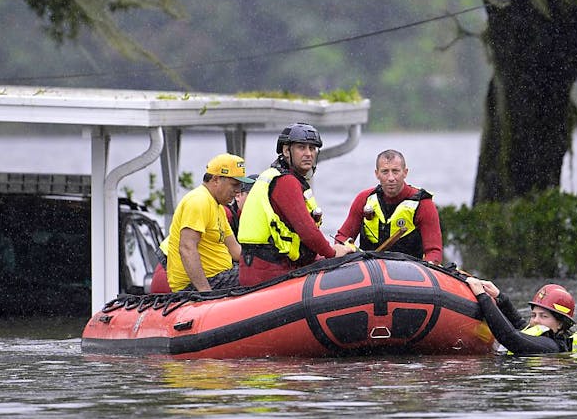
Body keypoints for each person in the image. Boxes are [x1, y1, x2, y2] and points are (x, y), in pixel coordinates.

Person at [238, 123, 351, 286]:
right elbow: (307, 231)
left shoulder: (277, 175)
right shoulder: (286, 182)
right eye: (301, 147)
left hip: (266, 266)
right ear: (286, 151)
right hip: (269, 271)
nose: (308, 154)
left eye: (312, 148)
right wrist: (332, 252)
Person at [334, 149, 443, 263]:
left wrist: (429, 266)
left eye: (395, 171)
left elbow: (434, 252)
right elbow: (342, 237)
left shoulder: (423, 204)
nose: (391, 178)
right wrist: (344, 249)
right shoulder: (364, 199)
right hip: (369, 271)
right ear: (377, 174)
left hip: (411, 272)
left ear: (405, 172)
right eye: (385, 172)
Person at [166, 153, 252, 292]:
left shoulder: (218, 207)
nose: (238, 191)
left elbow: (235, 250)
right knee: (257, 278)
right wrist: (205, 292)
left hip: (220, 277)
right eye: (235, 184)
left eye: (240, 186)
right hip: (202, 283)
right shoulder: (199, 201)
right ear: (216, 179)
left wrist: (264, 262)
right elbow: (187, 248)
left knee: (260, 273)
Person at [465, 277, 577, 355]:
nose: (535, 321)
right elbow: (520, 324)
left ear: (560, 323)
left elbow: (511, 338)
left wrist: (483, 297)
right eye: (533, 315)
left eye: (543, 316)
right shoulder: (549, 336)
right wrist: (500, 297)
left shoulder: (551, 347)